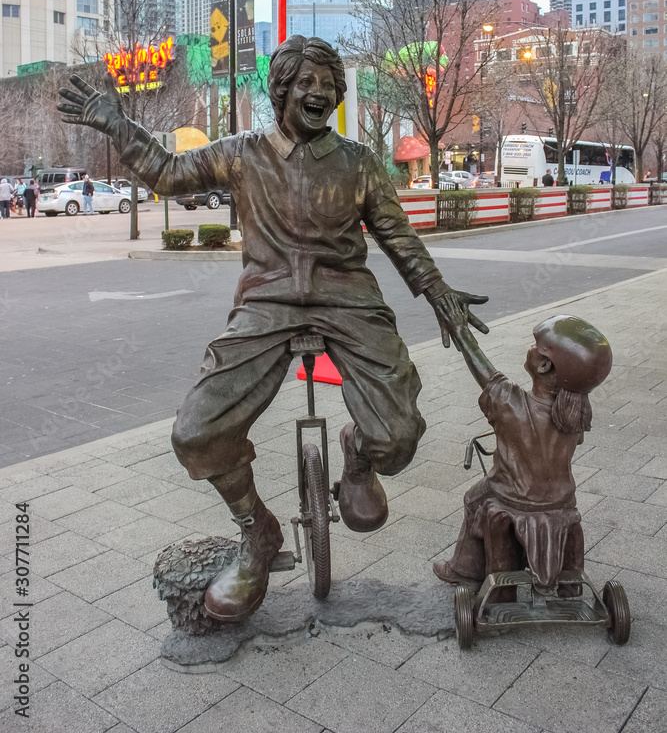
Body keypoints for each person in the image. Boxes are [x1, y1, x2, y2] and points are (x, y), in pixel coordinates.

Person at [56, 35, 489, 622]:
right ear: (281, 90)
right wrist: (116, 124)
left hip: (348, 301)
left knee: (400, 435)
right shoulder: (243, 153)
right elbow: (166, 172)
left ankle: (357, 456)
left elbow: (397, 235)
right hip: (265, 304)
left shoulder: (360, 162)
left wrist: (438, 293)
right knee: (195, 431)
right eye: (306, 83)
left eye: (329, 85)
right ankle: (256, 531)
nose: (320, 93)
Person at [431, 303, 612, 593]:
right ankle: (567, 586)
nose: (530, 347)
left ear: (544, 366)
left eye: (536, 346)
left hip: (513, 496)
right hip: (560, 499)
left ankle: (464, 570)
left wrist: (459, 330)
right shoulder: (576, 412)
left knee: (473, 499)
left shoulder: (510, 403)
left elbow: (483, 370)